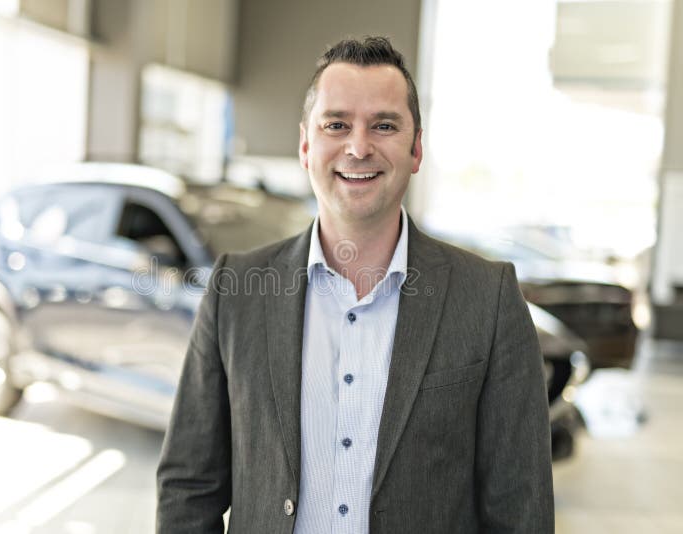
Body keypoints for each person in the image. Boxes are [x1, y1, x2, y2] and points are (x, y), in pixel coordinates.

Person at [156, 36, 554, 533]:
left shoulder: (489, 298)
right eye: (336, 125)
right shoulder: (237, 290)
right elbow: (189, 487)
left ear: (417, 148)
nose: (359, 146)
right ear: (306, 145)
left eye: (383, 125)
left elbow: (521, 506)